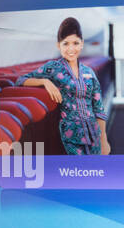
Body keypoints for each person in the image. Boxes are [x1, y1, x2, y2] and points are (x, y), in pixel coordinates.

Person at [15, 17, 110, 155]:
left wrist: (104, 141)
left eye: (75, 43)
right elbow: (21, 80)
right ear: (58, 45)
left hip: (94, 134)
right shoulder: (53, 68)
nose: (71, 49)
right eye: (66, 44)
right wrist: (45, 82)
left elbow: (99, 109)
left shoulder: (89, 73)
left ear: (82, 44)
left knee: (95, 172)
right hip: (71, 134)